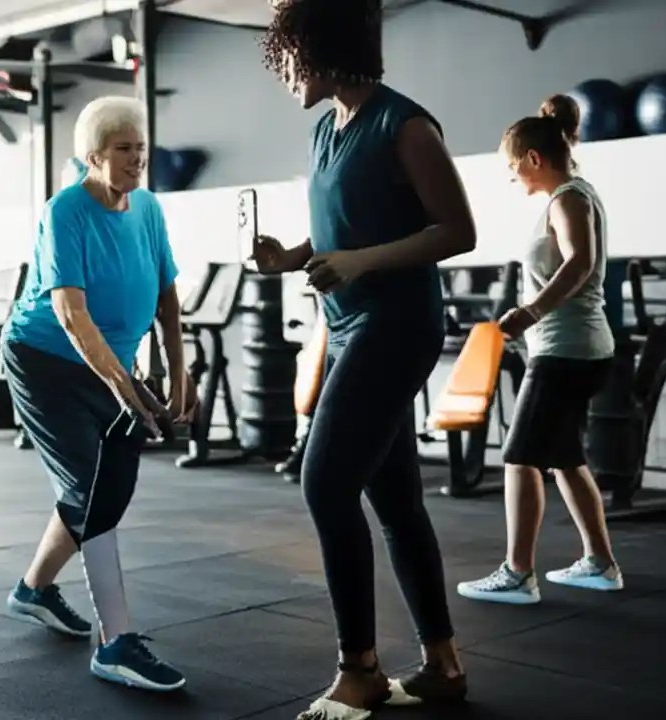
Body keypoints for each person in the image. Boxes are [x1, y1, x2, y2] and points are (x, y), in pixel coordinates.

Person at [253, 1, 477, 717]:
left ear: (321, 47)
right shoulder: (327, 129)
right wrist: (290, 257)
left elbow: (458, 231)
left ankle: (360, 670)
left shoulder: (404, 124)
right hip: (349, 324)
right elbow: (339, 233)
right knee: (395, 499)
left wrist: (358, 263)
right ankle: (441, 665)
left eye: (289, 54)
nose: (283, 70)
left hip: (396, 324)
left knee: (324, 483)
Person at [0, 95, 195, 693]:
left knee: (103, 487)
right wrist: (124, 384)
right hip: (46, 360)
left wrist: (177, 370)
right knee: (92, 486)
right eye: (124, 150)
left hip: (109, 362)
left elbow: (166, 294)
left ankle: (33, 589)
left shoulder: (149, 210)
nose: (138, 159)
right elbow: (69, 312)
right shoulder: (64, 213)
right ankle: (116, 643)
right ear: (92, 157)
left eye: (141, 148)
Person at [457, 96, 622, 605]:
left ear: (533, 158)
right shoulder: (576, 192)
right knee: (564, 457)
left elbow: (579, 262)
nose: (514, 178)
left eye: (513, 166)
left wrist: (529, 312)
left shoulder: (568, 198)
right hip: (578, 348)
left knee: (518, 457)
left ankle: (517, 573)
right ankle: (600, 563)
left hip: (565, 351)